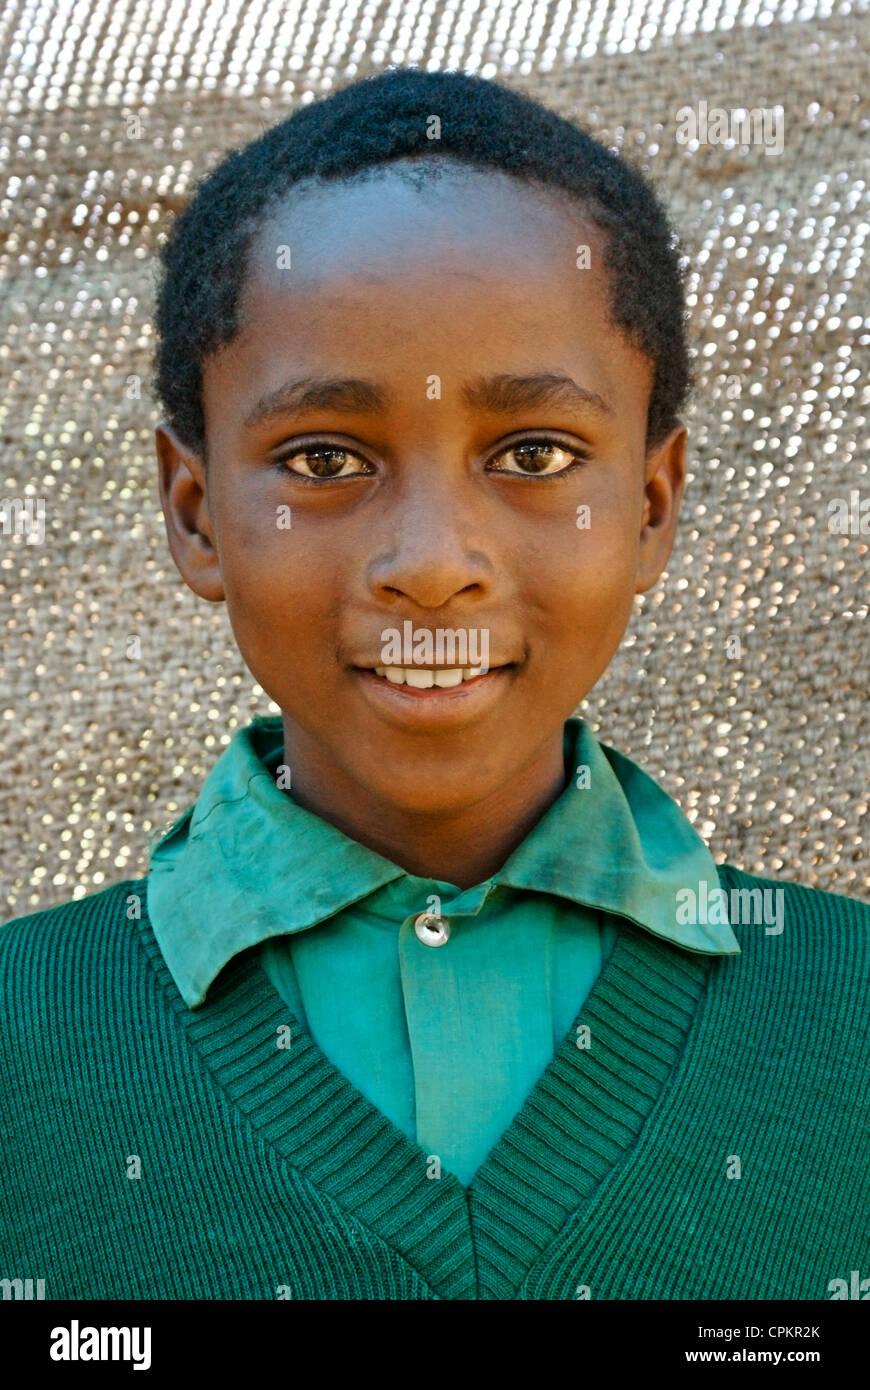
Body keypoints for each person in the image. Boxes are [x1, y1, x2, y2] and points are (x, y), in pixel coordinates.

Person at [1, 68, 866, 1301]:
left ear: (651, 507)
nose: (432, 564)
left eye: (532, 454)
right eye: (324, 456)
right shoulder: (27, 1039)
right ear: (196, 514)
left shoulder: (847, 1010)